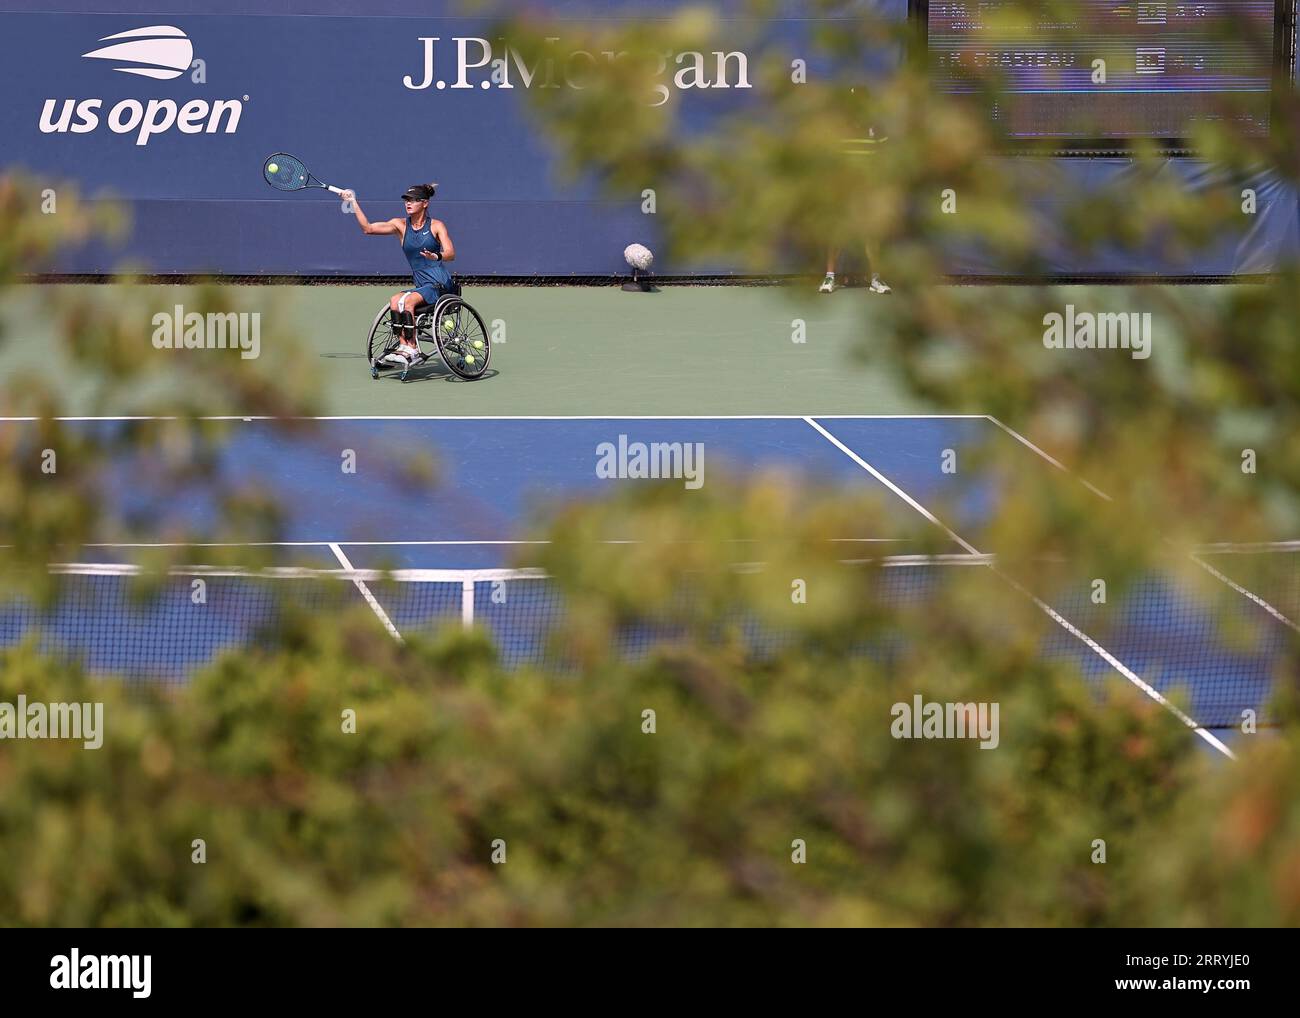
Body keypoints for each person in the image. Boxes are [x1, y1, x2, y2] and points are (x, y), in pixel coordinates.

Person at [341, 182, 456, 366]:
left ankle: (413, 349)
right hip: (421, 284)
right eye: (406, 200)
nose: (408, 203)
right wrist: (353, 202)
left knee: (408, 301)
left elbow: (451, 253)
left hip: (439, 284)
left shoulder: (436, 226)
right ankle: (404, 347)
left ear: (425, 203)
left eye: (413, 200)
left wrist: (437, 255)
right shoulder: (400, 225)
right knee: (395, 300)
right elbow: (368, 228)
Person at [820, 112, 891, 294]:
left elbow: (885, 158)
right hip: (843, 192)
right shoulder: (840, 130)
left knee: (871, 236)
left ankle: (876, 279)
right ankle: (829, 278)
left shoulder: (875, 130)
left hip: (867, 193)